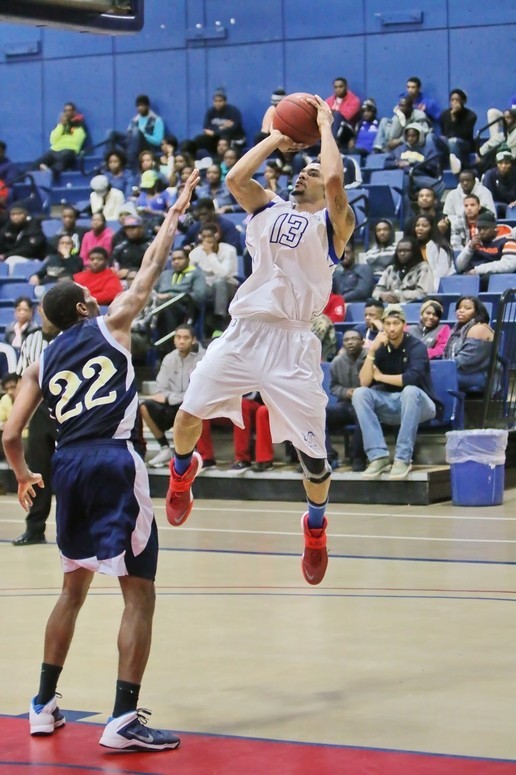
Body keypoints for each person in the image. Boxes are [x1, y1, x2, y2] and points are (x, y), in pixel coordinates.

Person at [2, 168, 200, 749]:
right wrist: (172, 213)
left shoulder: (39, 363)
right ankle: (122, 719)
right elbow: (150, 271)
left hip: (64, 466)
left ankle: (41, 704)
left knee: (72, 588)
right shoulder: (111, 325)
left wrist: (22, 477)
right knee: (139, 591)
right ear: (87, 306)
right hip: (114, 460)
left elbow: (12, 435)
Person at [166, 94, 355, 586]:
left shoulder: (333, 225)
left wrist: (325, 126)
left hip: (293, 343)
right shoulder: (266, 208)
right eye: (302, 169)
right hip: (245, 332)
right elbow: (234, 179)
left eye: (309, 170)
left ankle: (315, 528)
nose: (303, 174)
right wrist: (276, 137)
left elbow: (335, 180)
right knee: (186, 416)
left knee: (314, 462)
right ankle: (183, 472)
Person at [352, 304, 437, 480]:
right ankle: (378, 457)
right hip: (392, 404)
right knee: (360, 394)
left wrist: (381, 377)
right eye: (388, 323)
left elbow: (410, 379)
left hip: (422, 405)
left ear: (404, 324)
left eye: (396, 323)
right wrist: (372, 350)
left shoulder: (416, 346)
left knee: (410, 391)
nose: (391, 328)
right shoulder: (380, 347)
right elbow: (364, 382)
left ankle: (402, 459)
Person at [11, 307, 59, 546]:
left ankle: (77, 530)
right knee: (38, 472)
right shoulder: (32, 339)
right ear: (40, 310)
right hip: (38, 411)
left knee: (70, 474)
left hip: (66, 410)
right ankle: (35, 529)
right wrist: (19, 416)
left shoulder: (70, 337)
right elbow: (22, 379)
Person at [140, 324, 207, 467]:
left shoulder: (203, 358)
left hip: (193, 406)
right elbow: (160, 389)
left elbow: (199, 391)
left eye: (186, 338)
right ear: (174, 340)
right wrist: (172, 398)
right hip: (175, 405)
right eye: (178, 337)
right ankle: (165, 448)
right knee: (145, 407)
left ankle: (188, 452)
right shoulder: (169, 359)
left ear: (193, 340)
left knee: (192, 407)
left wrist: (170, 398)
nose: (181, 341)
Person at [325, 330, 367, 471]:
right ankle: (327, 456)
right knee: (317, 414)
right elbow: (333, 386)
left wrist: (361, 393)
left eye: (354, 338)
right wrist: (345, 392)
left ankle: (357, 457)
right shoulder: (337, 362)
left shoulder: (371, 358)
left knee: (363, 416)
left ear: (362, 341)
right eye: (346, 339)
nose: (350, 342)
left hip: (367, 404)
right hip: (345, 404)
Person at [188, 223, 238, 333]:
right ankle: (190, 321)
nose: (206, 240)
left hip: (229, 286)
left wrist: (210, 254)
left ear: (216, 236)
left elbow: (223, 274)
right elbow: (190, 271)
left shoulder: (228, 250)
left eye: (209, 236)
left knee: (219, 282)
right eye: (203, 237)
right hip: (207, 286)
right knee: (195, 288)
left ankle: (219, 320)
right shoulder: (196, 252)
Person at [154, 247, 207, 343]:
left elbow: (199, 295)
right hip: (159, 304)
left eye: (180, 258)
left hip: (183, 307)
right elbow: (153, 291)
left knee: (168, 308)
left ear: (188, 259)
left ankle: (170, 345)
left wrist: (170, 296)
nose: (176, 262)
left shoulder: (196, 274)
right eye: (174, 259)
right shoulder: (165, 274)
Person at [455, 211, 516, 290]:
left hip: (492, 279)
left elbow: (508, 265)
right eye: (479, 229)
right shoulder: (475, 241)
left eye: (485, 228)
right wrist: (469, 249)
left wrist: (478, 270)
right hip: (470, 278)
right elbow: (459, 266)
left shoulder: (507, 240)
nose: (482, 232)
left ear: (495, 229)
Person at [443, 296, 494, 391]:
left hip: (479, 375)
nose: (461, 311)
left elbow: (467, 360)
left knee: (439, 377)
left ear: (477, 312)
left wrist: (444, 367)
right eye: (459, 308)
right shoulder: (456, 329)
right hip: (460, 371)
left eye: (467, 308)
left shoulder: (479, 328)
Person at [108, 95, 165, 172]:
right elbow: (129, 135)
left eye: (142, 105)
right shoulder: (134, 120)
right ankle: (108, 160)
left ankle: (129, 163)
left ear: (147, 106)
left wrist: (143, 134)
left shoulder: (157, 120)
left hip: (147, 147)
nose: (139, 108)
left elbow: (158, 141)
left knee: (136, 131)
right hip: (132, 145)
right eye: (138, 106)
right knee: (111, 133)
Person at [373, 237, 434, 304]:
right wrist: (382, 295)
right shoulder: (390, 269)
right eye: (399, 251)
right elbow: (376, 292)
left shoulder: (424, 268)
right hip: (390, 309)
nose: (402, 254)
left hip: (413, 307)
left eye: (406, 251)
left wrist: (398, 295)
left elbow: (424, 293)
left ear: (414, 252)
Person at [33, 102, 87, 179]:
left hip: (69, 150)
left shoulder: (80, 124)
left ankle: (50, 173)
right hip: (54, 150)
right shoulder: (60, 125)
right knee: (38, 162)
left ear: (74, 112)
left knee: (64, 160)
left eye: (70, 110)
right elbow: (53, 140)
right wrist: (61, 125)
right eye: (65, 111)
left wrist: (63, 140)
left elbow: (77, 140)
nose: (67, 113)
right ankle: (26, 177)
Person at [193, 89, 246, 156]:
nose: (218, 103)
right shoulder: (210, 112)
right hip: (216, 137)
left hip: (232, 137)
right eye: (215, 101)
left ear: (225, 101)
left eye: (220, 101)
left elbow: (235, 127)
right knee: (199, 139)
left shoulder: (233, 111)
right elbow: (206, 128)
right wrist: (221, 128)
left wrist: (214, 132)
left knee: (223, 139)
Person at [230, 394, 274, 472]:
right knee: (201, 407)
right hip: (228, 403)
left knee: (247, 406)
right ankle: (205, 459)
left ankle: (260, 459)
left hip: (265, 403)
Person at [411, 214, 454, 292]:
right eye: (417, 225)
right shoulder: (412, 246)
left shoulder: (440, 246)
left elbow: (441, 271)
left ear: (431, 228)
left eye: (424, 226)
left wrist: (425, 283)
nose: (420, 228)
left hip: (439, 284)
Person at [438, 89, 477, 173]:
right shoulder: (444, 114)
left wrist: (454, 118)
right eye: (452, 100)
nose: (454, 102)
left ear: (463, 101)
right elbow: (445, 133)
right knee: (434, 138)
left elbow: (464, 134)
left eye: (457, 100)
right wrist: (452, 117)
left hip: (465, 143)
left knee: (453, 141)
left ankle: (457, 170)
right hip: (448, 141)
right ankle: (436, 169)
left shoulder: (471, 115)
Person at [482, 150, 516, 217]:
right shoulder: (490, 174)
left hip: (513, 204)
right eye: (500, 163)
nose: (503, 166)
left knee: (513, 208)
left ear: (511, 164)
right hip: (495, 203)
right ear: (496, 164)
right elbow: (487, 195)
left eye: (506, 163)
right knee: (493, 207)